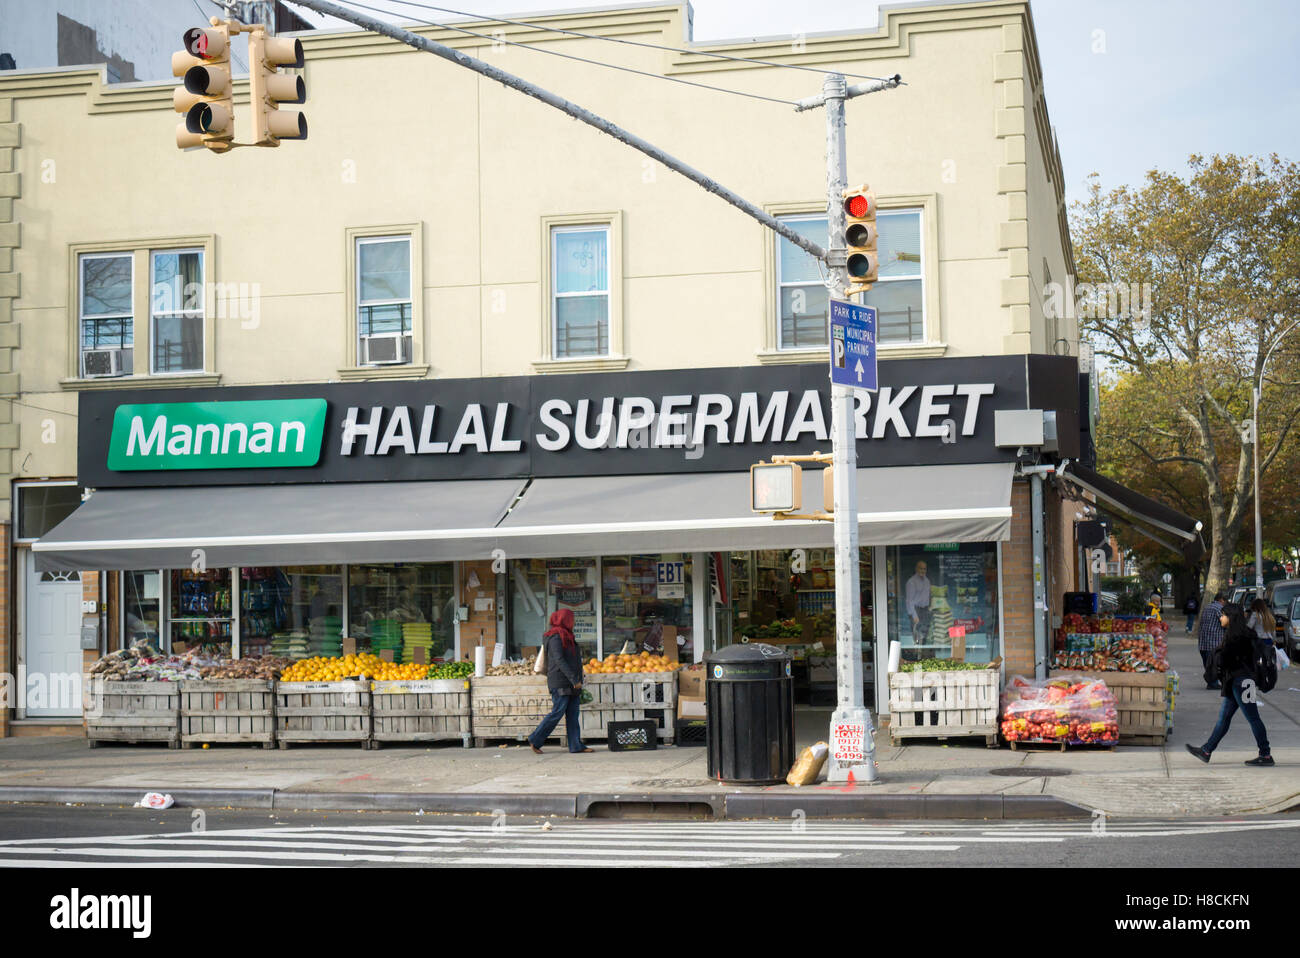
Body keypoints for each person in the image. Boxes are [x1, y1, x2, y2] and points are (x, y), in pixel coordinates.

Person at [1186, 602, 1273, 766]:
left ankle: (1266, 754)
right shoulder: (1245, 634)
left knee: (1253, 718)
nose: (1221, 618)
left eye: (1223, 615)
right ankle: (1206, 750)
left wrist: (1218, 659)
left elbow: (1229, 661)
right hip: (1238, 683)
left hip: (1242, 683)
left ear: (1231, 617)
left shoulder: (1236, 638)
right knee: (1224, 719)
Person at [527, 609, 593, 755]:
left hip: (572, 681)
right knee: (557, 712)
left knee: (573, 714)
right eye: (571, 619)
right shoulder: (555, 637)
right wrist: (574, 679)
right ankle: (535, 739)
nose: (574, 622)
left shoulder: (568, 636)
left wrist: (580, 676)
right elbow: (559, 660)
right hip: (561, 682)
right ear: (565, 620)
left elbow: (572, 659)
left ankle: (576, 745)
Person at [1197, 592, 1226, 690]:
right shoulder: (1219, 608)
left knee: (1207, 663)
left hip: (1203, 642)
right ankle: (1213, 683)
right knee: (1214, 663)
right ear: (1221, 600)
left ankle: (1211, 682)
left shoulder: (1207, 607)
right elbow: (1224, 623)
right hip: (1214, 641)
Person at [905, 560, 932, 650]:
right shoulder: (911, 582)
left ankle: (922, 653)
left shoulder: (927, 581)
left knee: (925, 634)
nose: (923, 571)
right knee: (916, 635)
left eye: (924, 569)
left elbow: (928, 596)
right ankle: (916, 654)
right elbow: (909, 601)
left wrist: (929, 608)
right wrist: (914, 616)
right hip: (916, 610)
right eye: (921, 568)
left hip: (925, 610)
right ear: (916, 569)